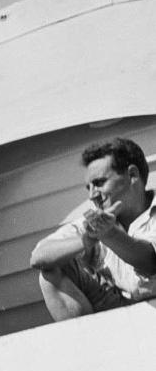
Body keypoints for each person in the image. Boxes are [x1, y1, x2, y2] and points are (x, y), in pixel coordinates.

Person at [31, 137, 156, 322]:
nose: (92, 195)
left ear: (132, 175)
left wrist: (109, 234)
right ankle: (89, 345)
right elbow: (38, 256)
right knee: (51, 270)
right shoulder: (98, 221)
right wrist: (87, 240)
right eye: (88, 187)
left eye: (99, 183)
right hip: (118, 312)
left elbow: (150, 262)